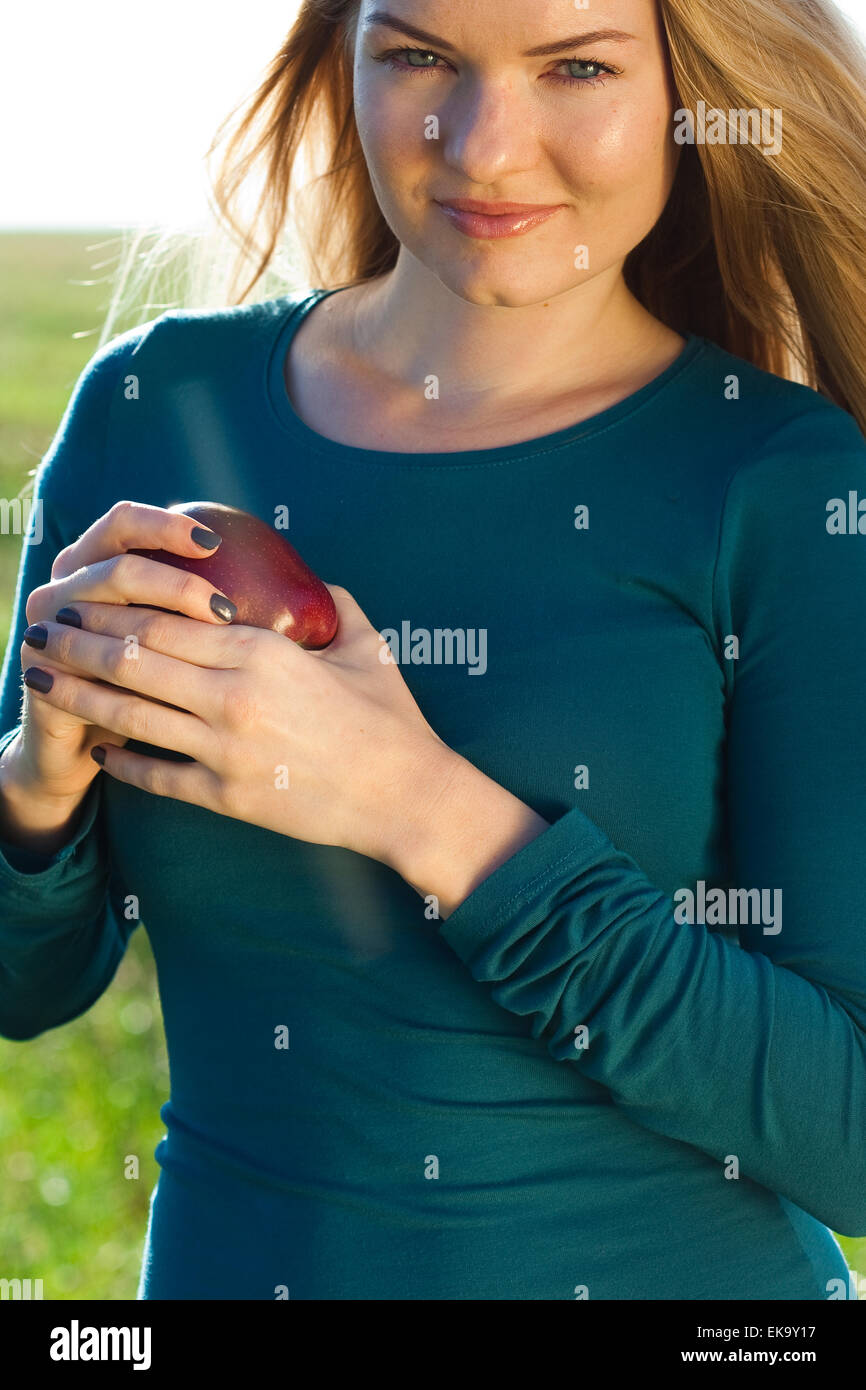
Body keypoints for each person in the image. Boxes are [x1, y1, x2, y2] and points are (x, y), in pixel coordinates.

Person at [1, 0, 865, 1300]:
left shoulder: (782, 483)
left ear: (693, 84)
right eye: (419, 57)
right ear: (341, 53)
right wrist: (37, 782)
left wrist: (417, 805)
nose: (481, 145)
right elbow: (30, 988)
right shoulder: (155, 410)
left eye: (574, 66)